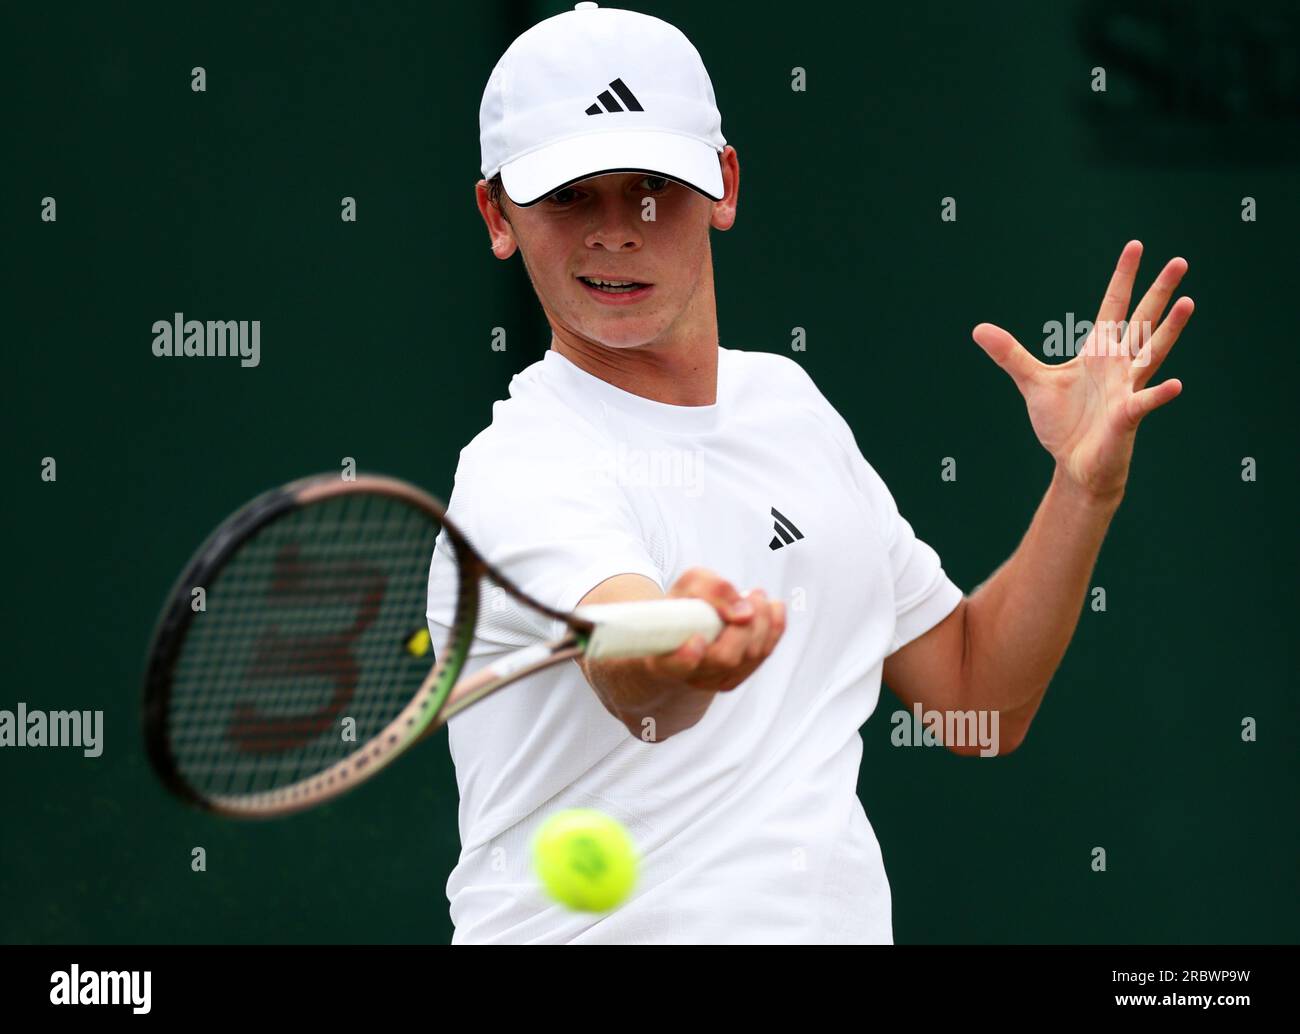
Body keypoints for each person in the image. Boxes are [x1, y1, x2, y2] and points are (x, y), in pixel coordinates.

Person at [426, 3, 1192, 944]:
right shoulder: (520, 469)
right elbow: (628, 665)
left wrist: (1082, 488)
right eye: (570, 196)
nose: (615, 231)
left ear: (724, 186)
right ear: (498, 214)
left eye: (652, 187)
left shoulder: (788, 406)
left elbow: (973, 697)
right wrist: (684, 650)